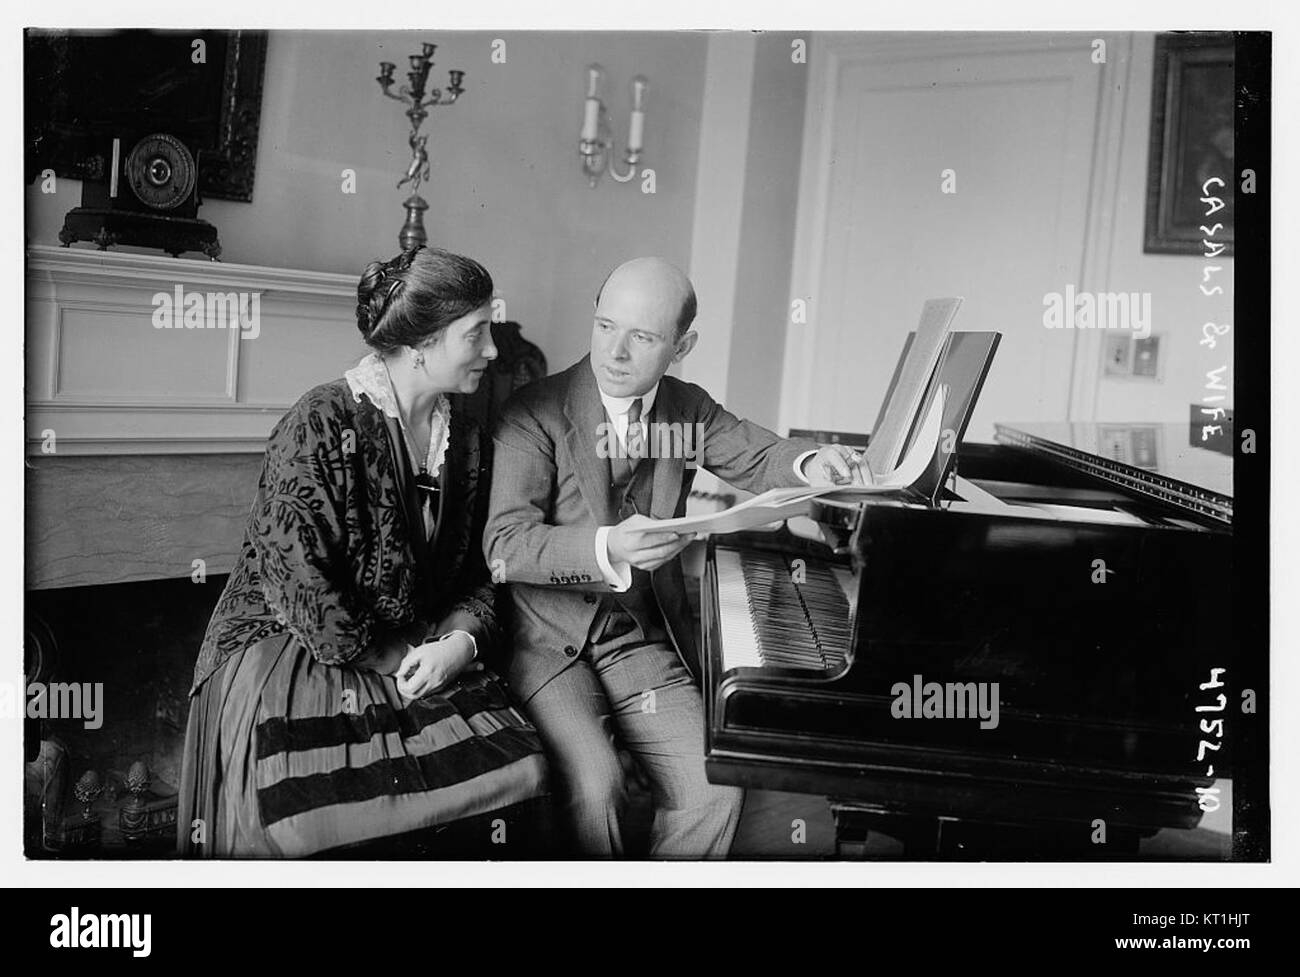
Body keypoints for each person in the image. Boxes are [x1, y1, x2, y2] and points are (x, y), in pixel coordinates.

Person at [483, 256, 869, 858]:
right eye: (606, 326)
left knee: (713, 786)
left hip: (635, 639)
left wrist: (811, 463)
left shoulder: (687, 409)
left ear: (681, 344)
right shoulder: (532, 411)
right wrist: (608, 545)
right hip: (544, 642)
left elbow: (758, 455)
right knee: (595, 787)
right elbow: (505, 545)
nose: (615, 352)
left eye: (642, 337)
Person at [178, 246, 549, 858]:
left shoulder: (472, 442)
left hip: (420, 640)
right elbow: (300, 585)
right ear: (420, 344)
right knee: (313, 820)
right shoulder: (319, 421)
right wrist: (394, 655)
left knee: (521, 774)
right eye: (476, 334)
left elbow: (485, 573)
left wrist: (461, 642)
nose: (492, 351)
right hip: (292, 640)